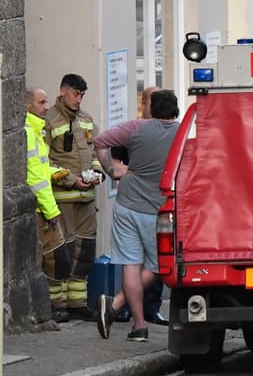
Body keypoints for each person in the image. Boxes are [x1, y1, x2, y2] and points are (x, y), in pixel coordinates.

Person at [94, 89, 180, 342]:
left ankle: (139, 326)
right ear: (175, 110)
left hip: (127, 204)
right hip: (159, 209)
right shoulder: (181, 135)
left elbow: (100, 141)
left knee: (131, 264)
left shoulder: (135, 128)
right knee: (157, 266)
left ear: (152, 108)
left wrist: (112, 170)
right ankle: (115, 305)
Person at [45, 73, 104, 321]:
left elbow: (95, 153)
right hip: (63, 199)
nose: (78, 100)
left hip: (86, 199)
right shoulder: (49, 121)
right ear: (63, 91)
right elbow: (43, 162)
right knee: (62, 252)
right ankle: (57, 305)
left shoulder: (86, 120)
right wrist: (70, 179)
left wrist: (97, 173)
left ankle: (77, 303)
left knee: (85, 251)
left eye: (81, 95)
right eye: (75, 94)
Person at [110, 86, 169, 326]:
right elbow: (114, 161)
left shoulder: (166, 130)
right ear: (144, 104)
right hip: (135, 203)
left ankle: (150, 308)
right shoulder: (130, 131)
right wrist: (121, 173)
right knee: (135, 262)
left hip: (157, 203)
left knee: (153, 260)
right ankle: (125, 308)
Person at [26, 86, 69, 324]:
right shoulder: (28, 132)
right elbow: (35, 179)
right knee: (54, 259)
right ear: (28, 105)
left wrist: (56, 172)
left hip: (43, 206)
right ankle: (50, 309)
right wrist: (51, 211)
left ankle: (54, 308)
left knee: (56, 259)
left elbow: (40, 169)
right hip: (40, 209)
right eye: (41, 103)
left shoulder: (36, 130)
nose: (46, 107)